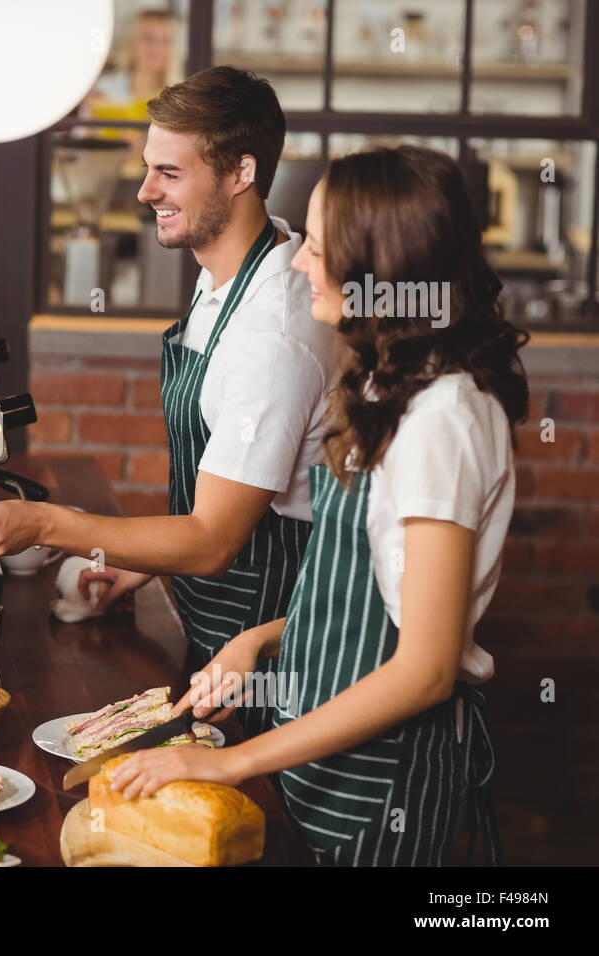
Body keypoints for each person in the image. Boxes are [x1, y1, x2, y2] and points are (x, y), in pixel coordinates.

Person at [112, 146, 523, 866]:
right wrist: (262, 641)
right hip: (320, 753)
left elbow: (424, 667)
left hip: (380, 778)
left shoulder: (443, 421)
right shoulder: (384, 388)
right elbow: (364, 591)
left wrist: (231, 763)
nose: (300, 262)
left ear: (380, 271)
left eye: (321, 248)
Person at [0, 67, 336, 737]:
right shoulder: (228, 274)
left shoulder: (272, 334)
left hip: (273, 659)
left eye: (169, 173)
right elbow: (219, 495)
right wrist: (140, 564)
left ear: (241, 172)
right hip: (212, 626)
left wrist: (45, 523)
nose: (144, 190)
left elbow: (213, 540)